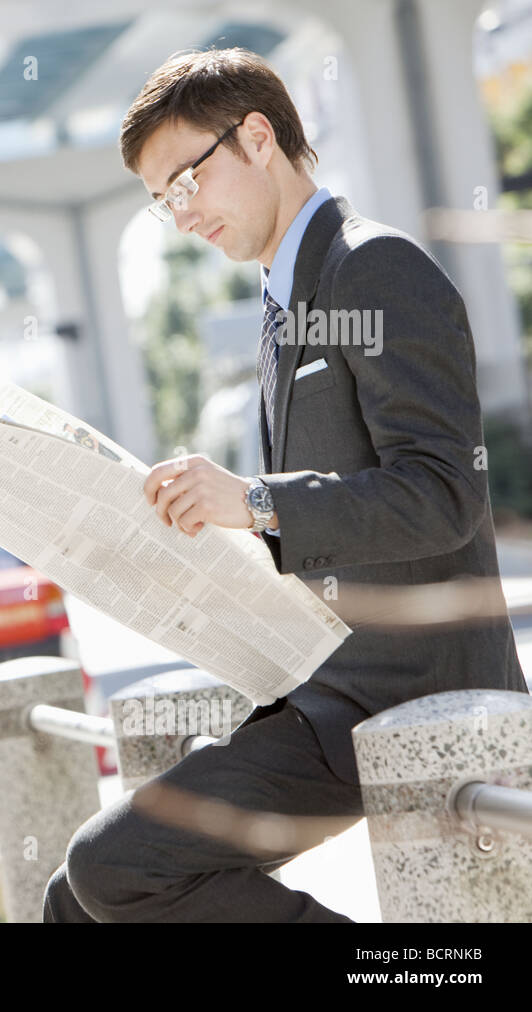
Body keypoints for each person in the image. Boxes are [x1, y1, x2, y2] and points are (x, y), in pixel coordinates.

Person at [43, 47, 528, 923]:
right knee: (72, 898)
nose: (182, 217)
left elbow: (443, 493)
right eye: (162, 203)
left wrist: (257, 500)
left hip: (412, 691)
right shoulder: (285, 301)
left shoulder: (373, 267)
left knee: (110, 868)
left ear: (257, 137)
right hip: (324, 691)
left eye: (184, 182)